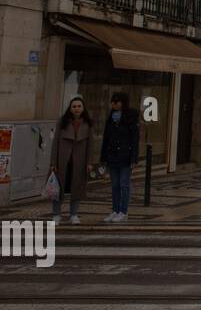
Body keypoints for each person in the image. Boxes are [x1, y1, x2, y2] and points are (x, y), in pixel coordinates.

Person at [49, 96, 93, 225]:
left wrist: (89, 162)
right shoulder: (62, 122)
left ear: (83, 108)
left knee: (77, 188)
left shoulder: (87, 123)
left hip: (79, 161)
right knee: (57, 188)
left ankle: (74, 214)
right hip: (63, 160)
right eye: (74, 106)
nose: (77, 109)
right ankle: (56, 214)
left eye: (79, 106)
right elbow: (55, 143)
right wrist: (53, 162)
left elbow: (91, 144)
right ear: (70, 108)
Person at [100, 92, 140, 224]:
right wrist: (103, 157)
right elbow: (106, 138)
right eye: (112, 102)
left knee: (124, 184)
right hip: (112, 156)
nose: (113, 104)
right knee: (115, 185)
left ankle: (123, 211)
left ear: (123, 103)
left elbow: (135, 139)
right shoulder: (111, 118)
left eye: (116, 102)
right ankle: (115, 210)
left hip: (125, 156)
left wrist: (134, 158)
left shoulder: (131, 117)